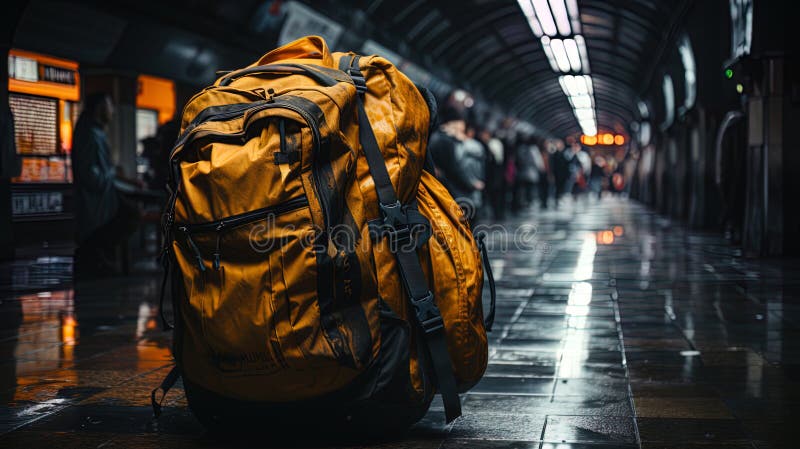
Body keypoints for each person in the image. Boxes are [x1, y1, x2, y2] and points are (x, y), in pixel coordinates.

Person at [71, 92, 141, 278]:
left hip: (102, 197)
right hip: (97, 199)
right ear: (100, 108)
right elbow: (91, 174)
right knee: (129, 215)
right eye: (110, 106)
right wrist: (110, 177)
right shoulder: (89, 134)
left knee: (129, 214)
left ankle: (98, 257)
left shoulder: (92, 131)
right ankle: (95, 257)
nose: (113, 112)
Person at [428, 104, 484, 222]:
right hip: (450, 191)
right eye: (461, 122)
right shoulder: (445, 141)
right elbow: (453, 169)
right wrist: (470, 185)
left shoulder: (435, 137)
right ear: (454, 122)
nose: (462, 127)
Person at [479, 128, 505, 220]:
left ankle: (497, 214)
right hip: (493, 176)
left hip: (494, 176)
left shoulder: (493, 144)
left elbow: (497, 160)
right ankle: (497, 214)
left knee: (495, 196)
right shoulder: (488, 144)